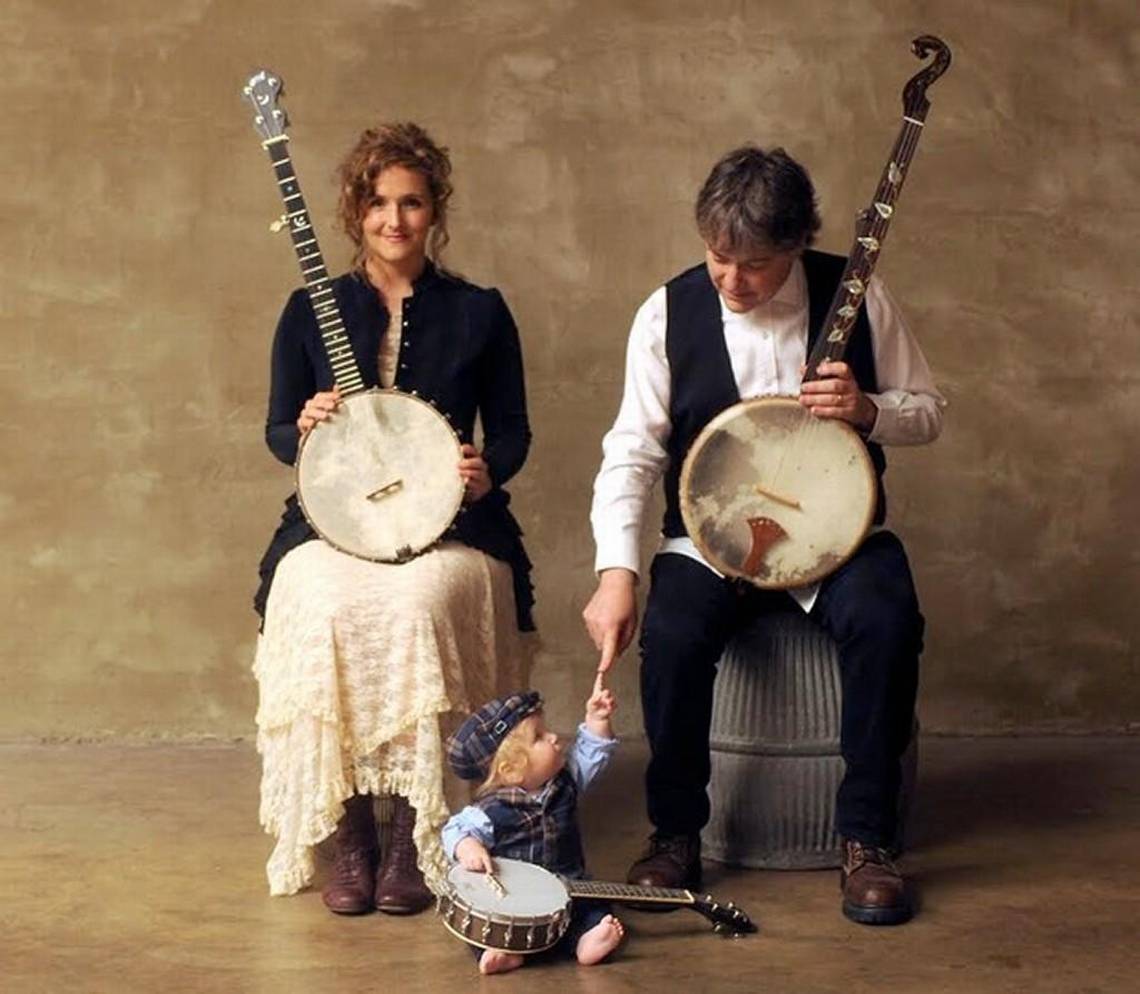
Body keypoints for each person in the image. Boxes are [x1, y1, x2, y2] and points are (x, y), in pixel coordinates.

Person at [582, 145, 945, 926]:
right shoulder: (666, 312)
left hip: (837, 541)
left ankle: (867, 839)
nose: (731, 280)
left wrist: (871, 410)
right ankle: (675, 833)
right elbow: (631, 452)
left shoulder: (857, 295)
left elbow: (929, 411)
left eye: (753, 264)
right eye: (718, 257)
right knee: (673, 634)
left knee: (887, 616)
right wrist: (618, 571)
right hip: (711, 544)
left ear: (796, 246)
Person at [253, 122, 534, 917]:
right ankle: (353, 838)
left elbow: (512, 433)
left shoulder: (481, 312)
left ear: (434, 210)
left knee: (416, 605)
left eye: (411, 202)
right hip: (332, 524)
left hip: (452, 524)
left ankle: (416, 831)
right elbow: (277, 434)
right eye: (378, 203)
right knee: (322, 603)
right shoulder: (311, 309)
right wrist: (303, 423)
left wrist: (485, 473)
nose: (394, 220)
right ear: (354, 212)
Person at [442, 685, 623, 974]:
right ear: (512, 769)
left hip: (568, 887)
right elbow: (456, 828)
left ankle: (586, 939)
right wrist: (468, 846)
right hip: (516, 897)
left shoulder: (566, 782)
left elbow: (591, 755)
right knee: (489, 924)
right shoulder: (492, 809)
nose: (553, 737)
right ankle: (501, 951)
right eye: (539, 737)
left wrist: (597, 720)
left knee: (591, 909)